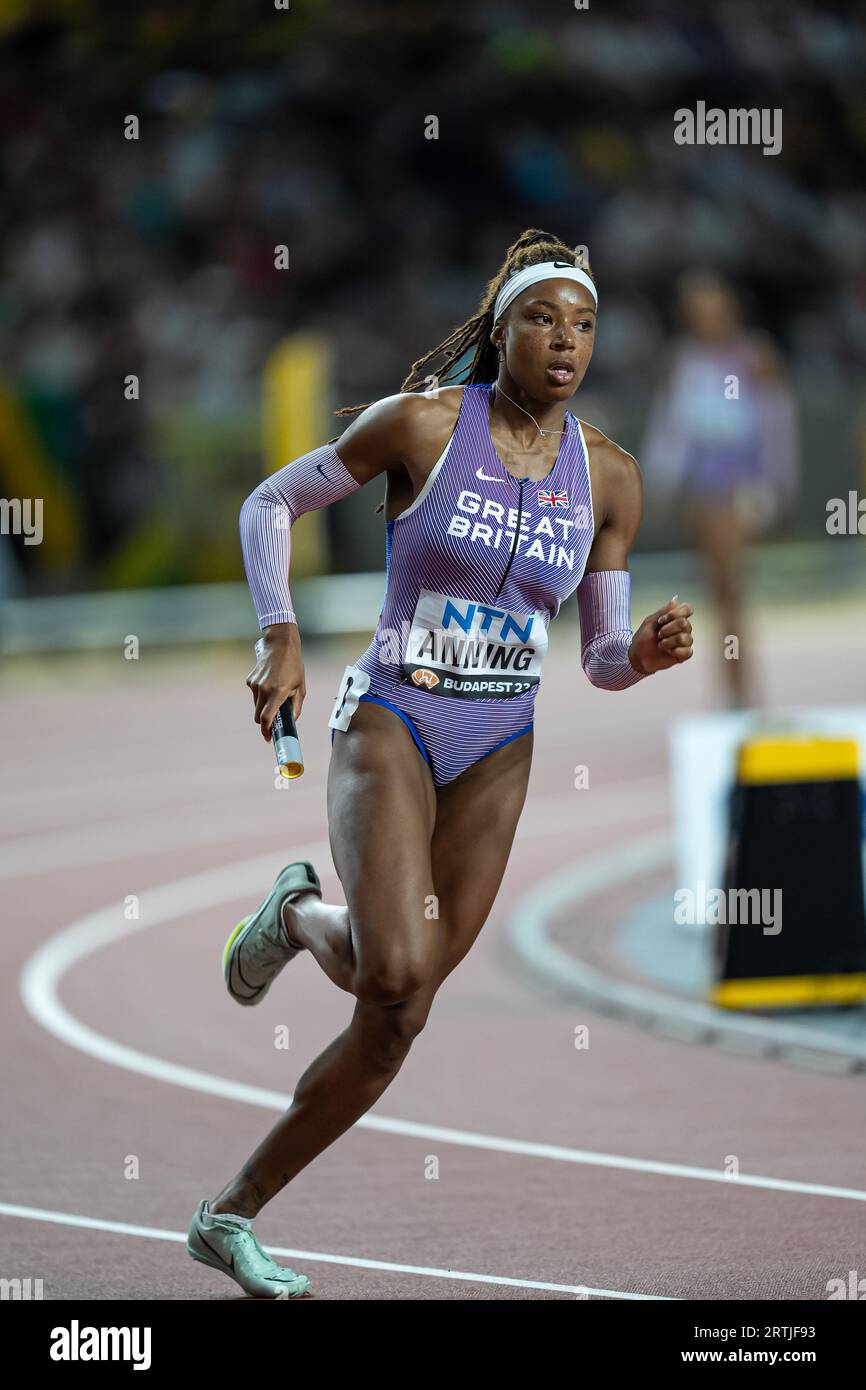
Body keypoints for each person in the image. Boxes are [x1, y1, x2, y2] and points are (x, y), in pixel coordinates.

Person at [186, 228, 694, 1298]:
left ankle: (227, 1212)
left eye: (583, 324)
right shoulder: (420, 424)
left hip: (499, 741)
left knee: (395, 1019)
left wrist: (635, 657)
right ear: (499, 330)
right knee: (398, 967)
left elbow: (597, 656)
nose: (565, 342)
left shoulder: (608, 477)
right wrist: (278, 630)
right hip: (395, 719)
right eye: (542, 320)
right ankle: (298, 922)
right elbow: (267, 502)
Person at [641, 269, 799, 708]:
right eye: (695, 313)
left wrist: (778, 484)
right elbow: (671, 428)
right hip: (705, 488)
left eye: (712, 310)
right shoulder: (685, 360)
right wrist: (659, 484)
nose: (705, 319)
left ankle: (740, 688)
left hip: (744, 484)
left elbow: (776, 423)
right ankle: (735, 687)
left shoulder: (754, 355)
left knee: (729, 586)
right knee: (721, 588)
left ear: (729, 310)